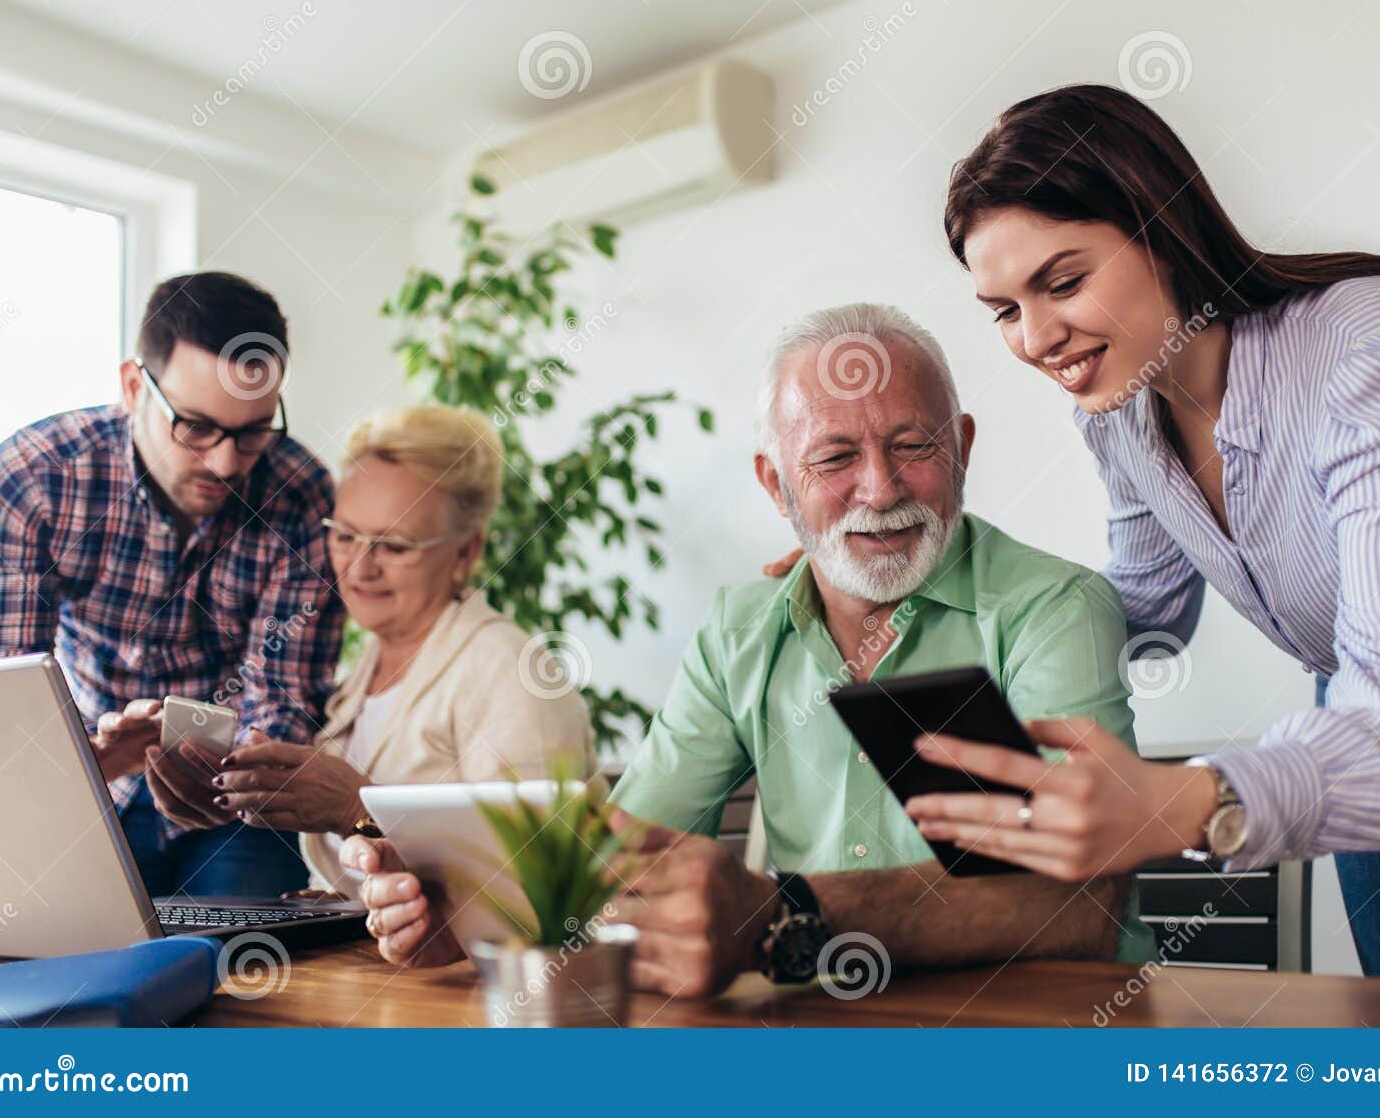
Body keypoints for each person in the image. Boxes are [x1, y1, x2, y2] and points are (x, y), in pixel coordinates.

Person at [347, 303, 1153, 991]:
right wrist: (473, 912)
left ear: (963, 448)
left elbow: (1082, 902)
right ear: (776, 485)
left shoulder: (1055, 608)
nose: (880, 487)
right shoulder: (741, 629)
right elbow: (621, 855)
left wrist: (785, 911)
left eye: (913, 445)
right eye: (835, 457)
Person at [903, 82, 1380, 979]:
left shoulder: (1375, 354)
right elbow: (1143, 610)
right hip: (1378, 714)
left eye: (1062, 282)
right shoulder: (1119, 413)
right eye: (1004, 309)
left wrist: (1180, 800)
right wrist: (917, 589)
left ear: (1164, 228)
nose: (1034, 339)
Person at [0, 271, 344, 897]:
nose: (225, 463)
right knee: (66, 968)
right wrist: (98, 759)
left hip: (235, 795)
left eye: (252, 431)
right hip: (85, 780)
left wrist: (214, 766)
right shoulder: (33, 481)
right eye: (195, 427)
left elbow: (285, 696)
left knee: (251, 972)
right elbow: (7, 708)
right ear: (135, 386)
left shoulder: (299, 492)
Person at [208, 405, 594, 895]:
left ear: (465, 552)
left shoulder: (513, 672)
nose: (361, 568)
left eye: (393, 547)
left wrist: (356, 808)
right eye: (345, 536)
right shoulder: (361, 672)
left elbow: (539, 875)